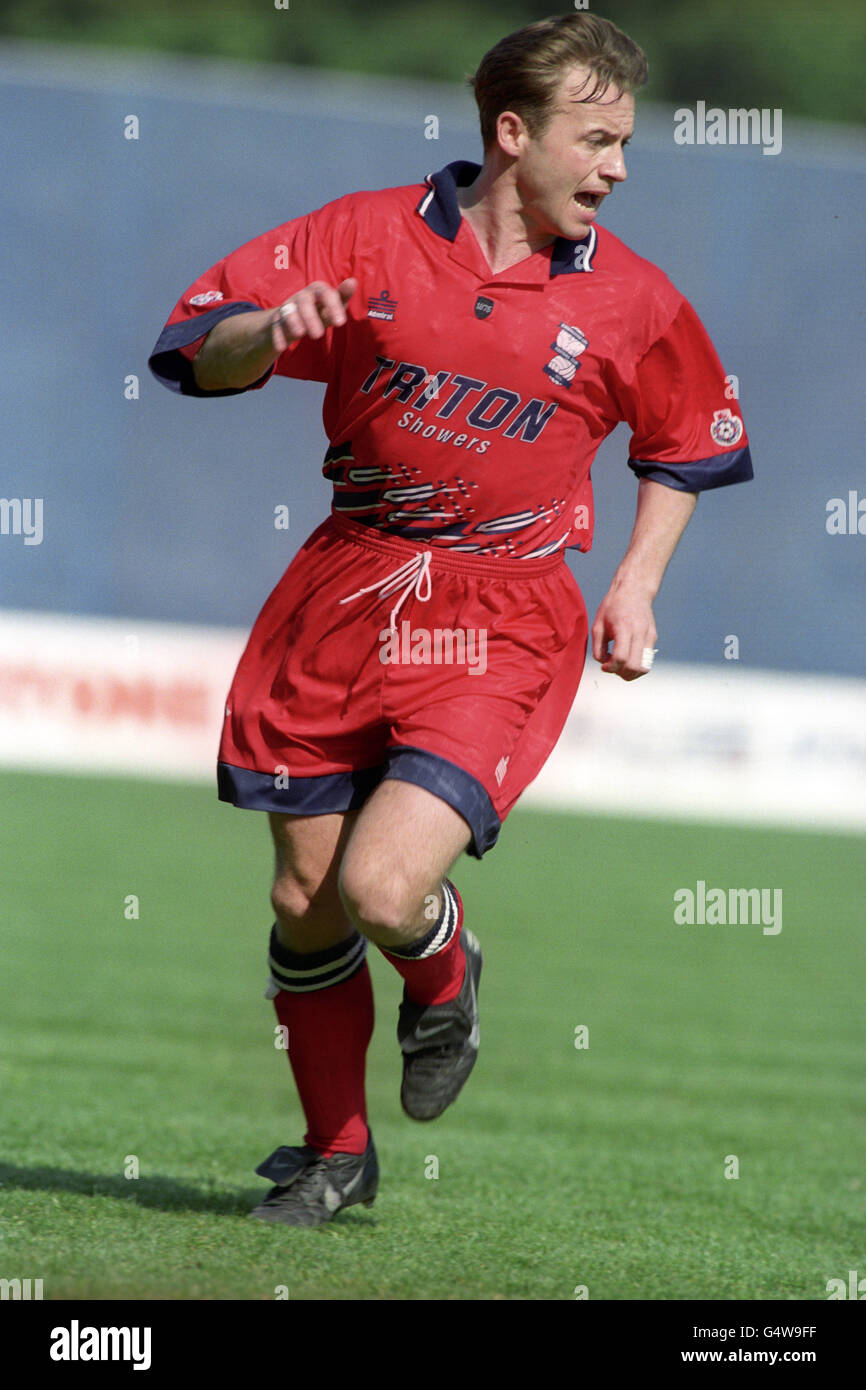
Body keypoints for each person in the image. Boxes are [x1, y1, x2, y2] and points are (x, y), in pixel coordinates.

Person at [148, 12, 752, 1227]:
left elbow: (689, 443)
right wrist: (265, 334)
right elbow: (191, 350)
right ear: (511, 133)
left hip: (497, 618)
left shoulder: (633, 300)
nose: (617, 168)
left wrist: (633, 583)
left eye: (625, 142)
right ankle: (337, 1152)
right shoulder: (364, 235)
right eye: (596, 141)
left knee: (381, 888)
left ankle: (441, 967)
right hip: (342, 592)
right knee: (302, 897)